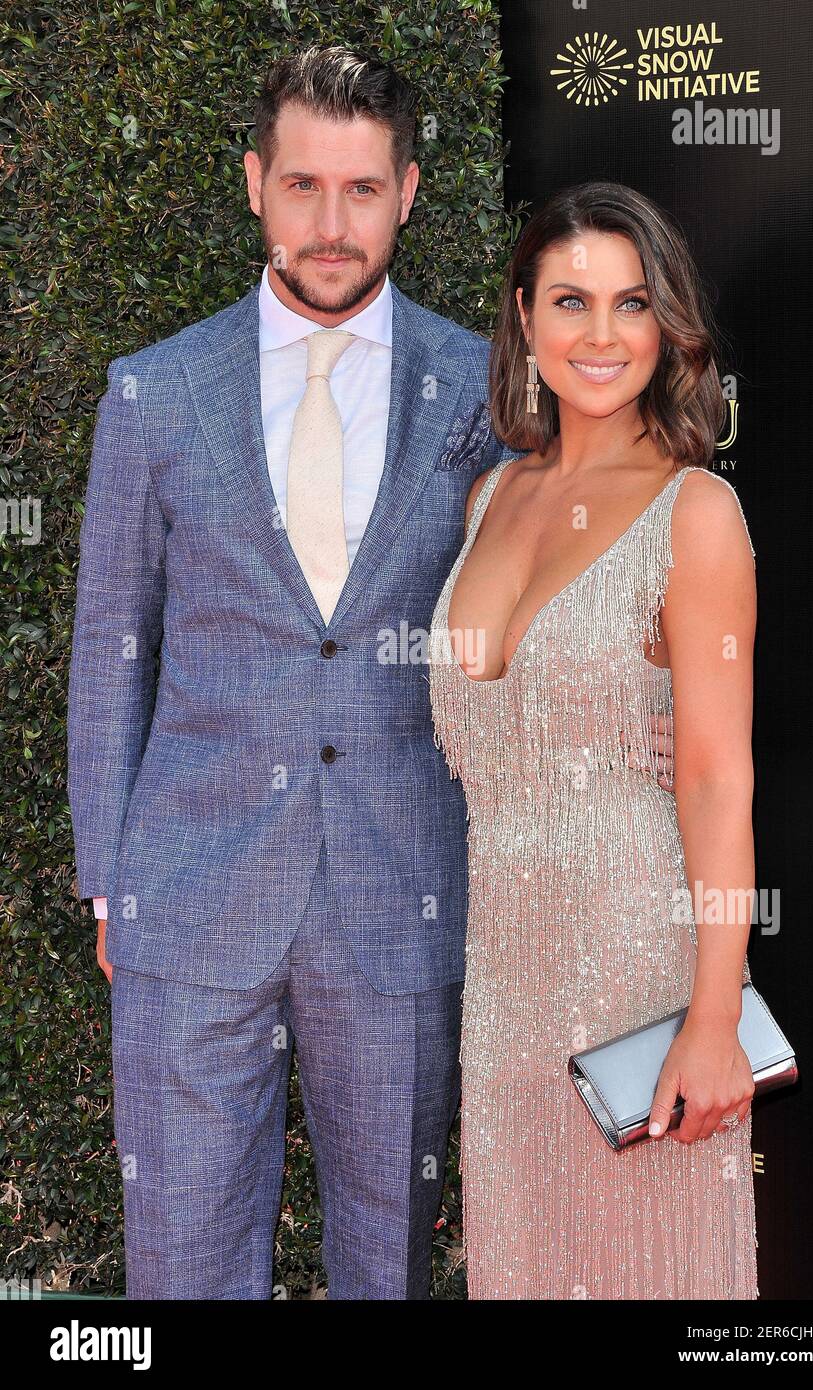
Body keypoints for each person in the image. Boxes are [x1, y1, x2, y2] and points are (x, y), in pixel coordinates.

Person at [67, 47, 669, 1300]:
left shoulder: (491, 390)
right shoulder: (155, 393)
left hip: (406, 889)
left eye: (358, 189)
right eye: (300, 186)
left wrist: (642, 710)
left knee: (387, 1260)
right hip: (187, 893)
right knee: (178, 1261)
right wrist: (109, 883)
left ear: (405, 192)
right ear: (253, 186)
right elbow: (109, 647)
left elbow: (578, 547)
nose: (328, 225)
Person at [428, 181, 760, 1300]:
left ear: (665, 327)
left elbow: (716, 782)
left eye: (631, 305)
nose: (602, 334)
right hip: (505, 996)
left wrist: (713, 1017)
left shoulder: (694, 513)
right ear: (524, 317)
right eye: (571, 301)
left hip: (639, 981)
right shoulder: (488, 498)